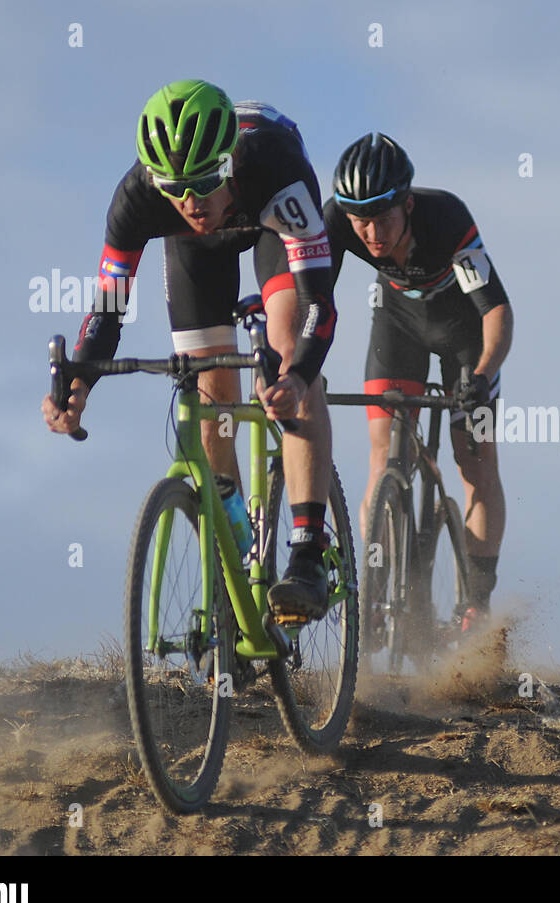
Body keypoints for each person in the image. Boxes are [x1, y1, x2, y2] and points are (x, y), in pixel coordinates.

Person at [41, 80, 340, 620]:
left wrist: (295, 377)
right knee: (211, 400)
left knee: (287, 341)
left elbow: (321, 304)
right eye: (175, 187)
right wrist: (79, 384)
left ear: (227, 162)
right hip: (197, 255)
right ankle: (236, 557)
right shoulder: (140, 199)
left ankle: (307, 554)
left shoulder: (274, 168)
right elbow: (107, 312)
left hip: (269, 222)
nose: (192, 202)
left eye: (204, 182)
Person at [324, 132, 513, 626]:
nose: (370, 233)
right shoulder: (339, 222)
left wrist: (482, 375)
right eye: (359, 221)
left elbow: (496, 310)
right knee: (384, 453)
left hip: (464, 332)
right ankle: (378, 581)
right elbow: (313, 299)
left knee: (474, 461)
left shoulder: (446, 219)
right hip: (399, 323)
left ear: (408, 205)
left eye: (383, 219)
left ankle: (477, 598)